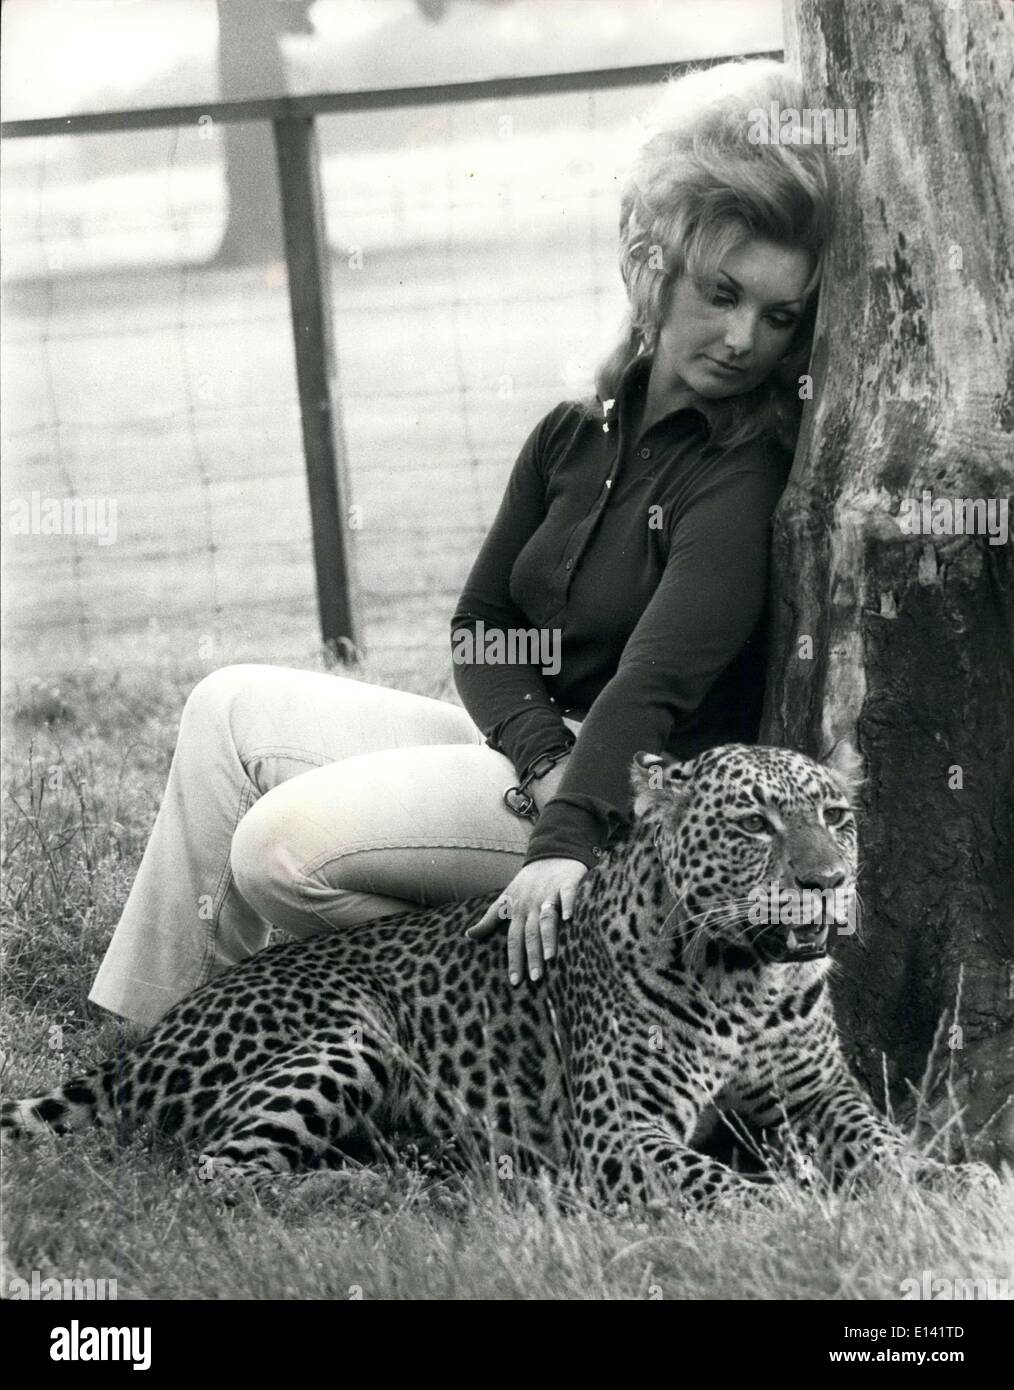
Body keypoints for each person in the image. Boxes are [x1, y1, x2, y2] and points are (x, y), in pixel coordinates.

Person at [88, 58, 830, 1029]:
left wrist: (566, 829)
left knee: (278, 851)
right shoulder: (581, 428)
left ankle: (436, 1030)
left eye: (778, 317)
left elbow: (653, 687)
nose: (742, 338)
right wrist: (535, 754)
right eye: (722, 291)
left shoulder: (739, 476)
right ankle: (146, 1030)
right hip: (537, 765)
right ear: (653, 262)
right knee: (228, 707)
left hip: (627, 815)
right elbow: (484, 625)